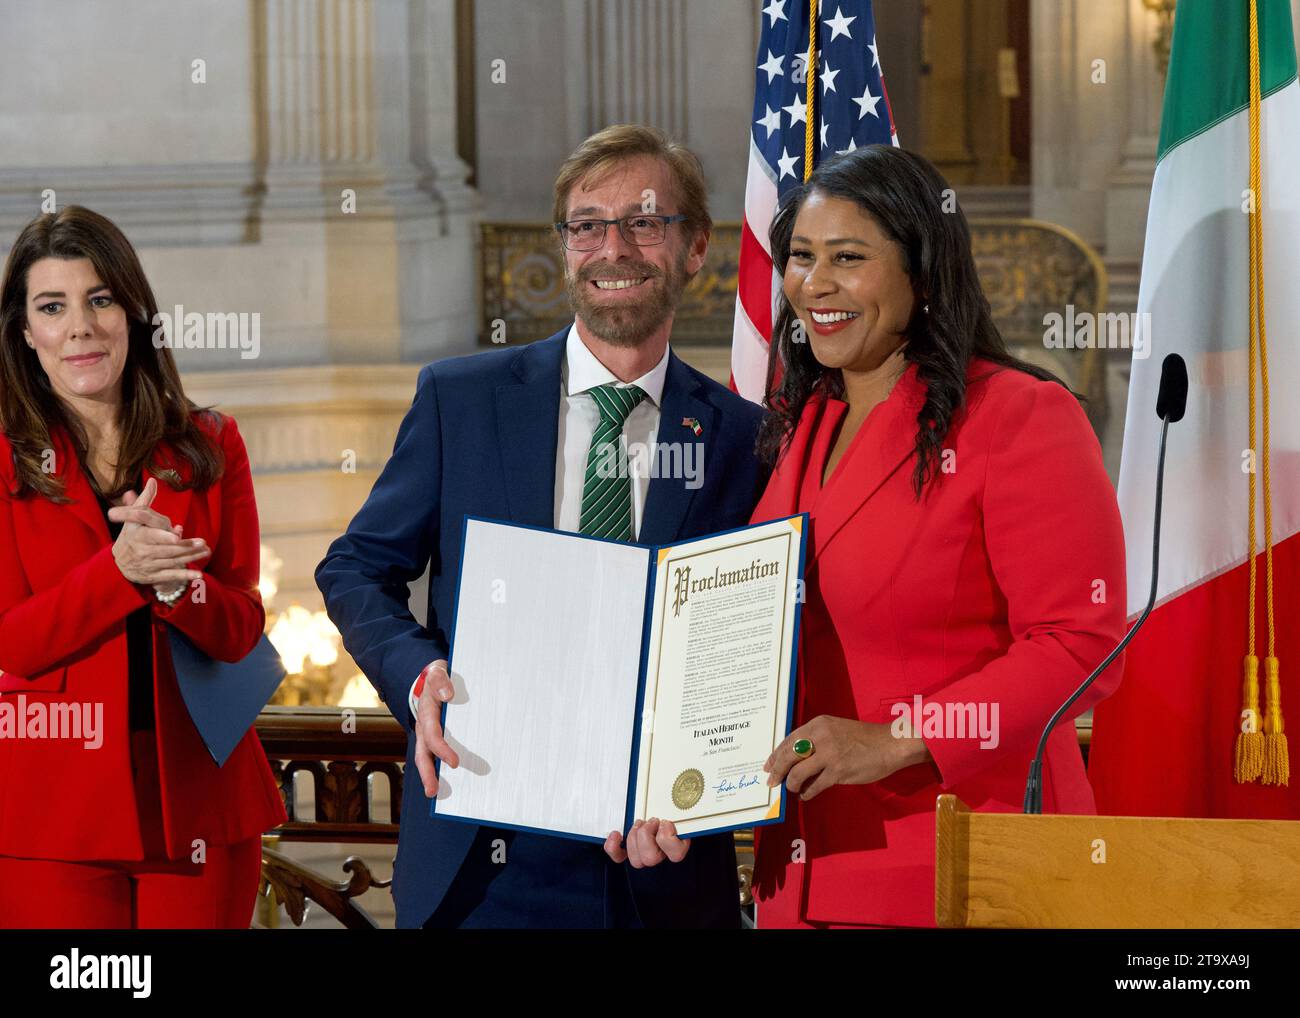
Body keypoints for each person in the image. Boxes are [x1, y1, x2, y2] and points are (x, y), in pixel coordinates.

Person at [316, 124, 767, 929]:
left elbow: (752, 640)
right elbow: (356, 567)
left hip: (659, 868)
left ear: (696, 247)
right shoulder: (462, 399)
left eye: (645, 221)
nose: (613, 247)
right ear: (565, 248)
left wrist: (706, 781)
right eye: (587, 225)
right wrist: (420, 677)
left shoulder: (744, 438)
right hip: (484, 858)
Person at [749, 145, 1127, 928]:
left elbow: (1081, 642)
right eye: (801, 257)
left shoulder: (1018, 417)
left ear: (922, 273)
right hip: (800, 869)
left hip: (962, 862)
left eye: (848, 258)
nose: (815, 284)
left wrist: (900, 737)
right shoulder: (803, 424)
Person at [0, 206, 286, 929]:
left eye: (100, 299)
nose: (81, 327)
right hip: (51, 816)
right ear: (26, 333)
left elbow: (241, 629)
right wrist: (117, 573)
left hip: (199, 800)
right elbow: (13, 643)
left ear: (134, 312)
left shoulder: (210, 444)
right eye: (52, 307)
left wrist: (178, 588)